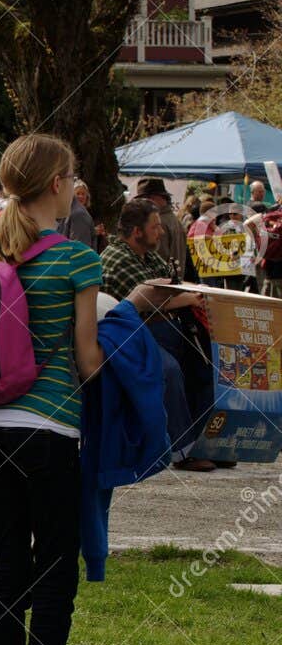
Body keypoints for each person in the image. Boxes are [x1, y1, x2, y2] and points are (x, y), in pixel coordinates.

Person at [0, 134, 169, 645]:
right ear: (57, 183)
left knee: (10, 569)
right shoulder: (75, 259)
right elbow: (88, 359)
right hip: (49, 429)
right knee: (54, 574)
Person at [100, 199, 213, 471]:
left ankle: (206, 443)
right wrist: (187, 298)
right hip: (130, 337)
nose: (161, 232)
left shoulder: (148, 255)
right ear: (137, 231)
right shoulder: (117, 258)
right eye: (155, 227)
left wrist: (183, 292)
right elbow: (144, 302)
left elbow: (169, 287)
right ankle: (182, 451)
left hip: (164, 331)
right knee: (169, 371)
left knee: (206, 366)